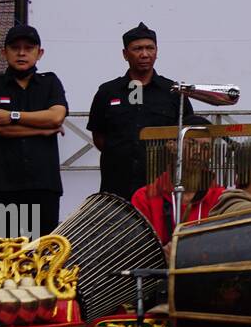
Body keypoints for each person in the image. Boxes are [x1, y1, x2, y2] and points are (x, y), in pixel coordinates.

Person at [86, 22, 203, 201]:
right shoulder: (108, 91)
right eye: (137, 48)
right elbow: (99, 138)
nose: (144, 54)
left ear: (157, 52)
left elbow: (186, 135)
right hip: (117, 186)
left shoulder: (173, 92)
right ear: (125, 54)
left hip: (160, 186)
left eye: (150, 48)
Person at [0, 24, 68, 237]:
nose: (22, 53)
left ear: (40, 52)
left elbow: (55, 117)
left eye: (29, 47)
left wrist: (11, 116)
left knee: (42, 255)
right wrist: (41, 130)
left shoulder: (50, 82)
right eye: (15, 47)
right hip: (1, 185)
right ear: (4, 52)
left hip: (43, 184)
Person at [132, 149, 225, 245]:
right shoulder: (144, 197)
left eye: (205, 147)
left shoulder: (221, 197)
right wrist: (162, 254)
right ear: (173, 146)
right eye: (191, 143)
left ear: (211, 153)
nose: (198, 151)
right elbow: (138, 252)